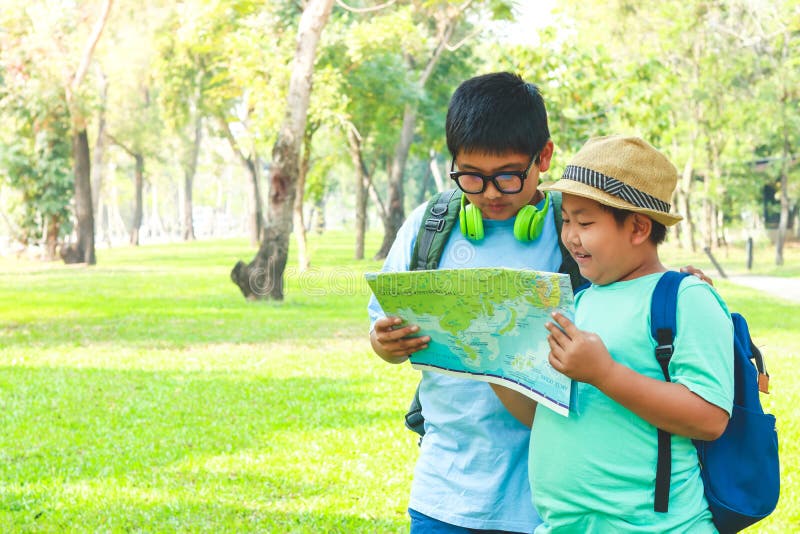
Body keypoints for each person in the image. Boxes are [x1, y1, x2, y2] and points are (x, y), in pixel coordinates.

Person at [368, 72, 571, 533]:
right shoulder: (429, 227)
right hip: (444, 490)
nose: (491, 194)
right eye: (471, 178)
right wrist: (386, 343)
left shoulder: (573, 229)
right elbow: (382, 330)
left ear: (544, 156)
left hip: (548, 496)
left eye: (507, 176)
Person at [520, 135, 733, 532]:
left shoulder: (684, 297)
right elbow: (547, 414)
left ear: (637, 227)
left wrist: (605, 374)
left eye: (585, 222)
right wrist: (494, 368)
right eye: (566, 220)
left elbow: (710, 417)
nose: (571, 236)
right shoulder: (579, 303)